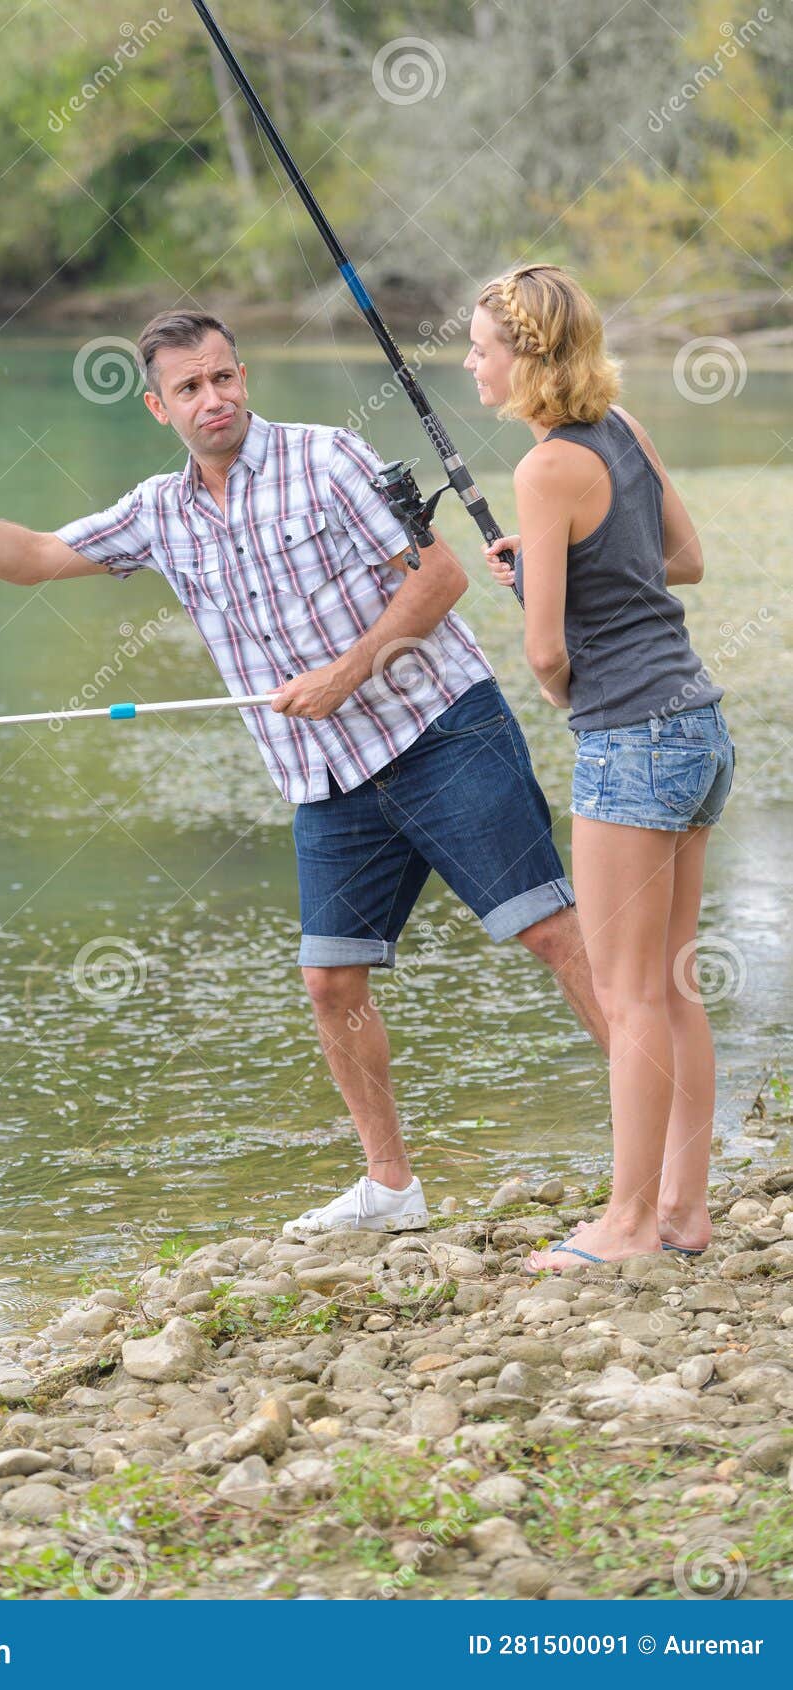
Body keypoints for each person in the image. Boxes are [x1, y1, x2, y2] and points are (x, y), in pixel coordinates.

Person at [0, 306, 607, 1241]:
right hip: (327, 777)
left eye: (223, 377)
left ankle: (666, 1145)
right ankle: (391, 1189)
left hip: (440, 730)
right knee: (331, 983)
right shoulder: (158, 512)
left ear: (243, 377)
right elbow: (38, 558)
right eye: (189, 387)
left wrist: (345, 673)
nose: (211, 398)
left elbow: (440, 578)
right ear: (159, 407)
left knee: (552, 933)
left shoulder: (326, 458)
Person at [467, 264, 734, 1269]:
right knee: (670, 984)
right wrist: (561, 561)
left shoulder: (545, 469)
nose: (470, 364)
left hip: (632, 741)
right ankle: (682, 1212)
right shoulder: (623, 430)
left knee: (627, 997)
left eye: (481, 349)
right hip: (698, 725)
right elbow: (683, 559)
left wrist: (563, 689)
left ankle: (624, 1225)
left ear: (527, 356)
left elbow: (545, 652)